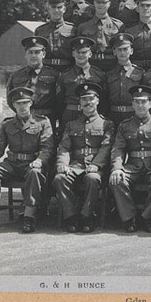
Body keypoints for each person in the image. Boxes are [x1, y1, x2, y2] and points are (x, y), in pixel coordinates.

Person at [0, 87, 54, 234]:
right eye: (18, 103)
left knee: (35, 173)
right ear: (13, 105)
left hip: (32, 164)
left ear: (31, 103)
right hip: (11, 164)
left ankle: (29, 217)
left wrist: (39, 160)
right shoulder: (7, 124)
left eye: (25, 103)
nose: (22, 107)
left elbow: (47, 148)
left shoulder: (42, 122)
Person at [109, 85, 151, 233]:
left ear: (150, 103)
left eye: (143, 102)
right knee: (117, 180)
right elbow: (118, 148)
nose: (140, 105)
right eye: (136, 102)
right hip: (133, 166)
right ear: (132, 104)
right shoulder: (125, 125)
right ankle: (129, 218)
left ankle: (147, 217)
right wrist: (117, 168)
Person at [53, 82, 114, 233]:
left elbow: (106, 147)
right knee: (59, 178)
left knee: (92, 179)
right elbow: (64, 147)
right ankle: (72, 216)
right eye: (84, 99)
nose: (88, 102)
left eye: (91, 99)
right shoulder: (71, 124)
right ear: (79, 103)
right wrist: (63, 163)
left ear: (98, 101)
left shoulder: (107, 124)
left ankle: (87, 216)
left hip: (96, 167)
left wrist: (97, 164)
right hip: (76, 165)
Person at [5, 36, 59, 127]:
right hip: (24, 119)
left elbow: (60, 100)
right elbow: (10, 99)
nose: (33, 56)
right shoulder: (16, 76)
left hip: (47, 119)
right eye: (30, 52)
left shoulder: (54, 75)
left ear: (44, 54)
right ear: (25, 54)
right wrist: (23, 112)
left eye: (37, 52)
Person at [105, 33, 144, 126]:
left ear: (131, 51)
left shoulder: (140, 72)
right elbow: (105, 98)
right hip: (113, 115)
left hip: (133, 114)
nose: (122, 53)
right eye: (119, 50)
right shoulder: (109, 73)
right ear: (114, 52)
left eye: (125, 49)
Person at [35, 0, 77, 71]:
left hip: (67, 70)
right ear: (48, 8)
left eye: (59, 7)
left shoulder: (72, 29)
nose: (56, 10)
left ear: (64, 9)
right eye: (53, 7)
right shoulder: (40, 30)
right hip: (46, 70)